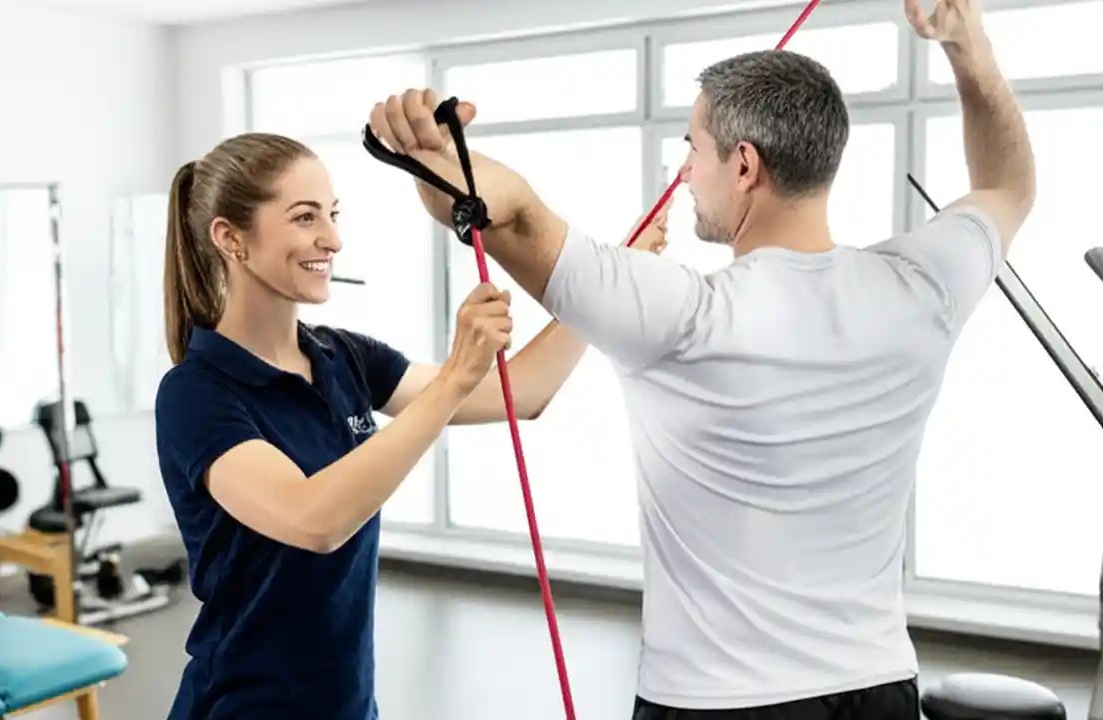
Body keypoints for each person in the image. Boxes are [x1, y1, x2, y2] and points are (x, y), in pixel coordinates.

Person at [366, 0, 1034, 717]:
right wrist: (968, 42)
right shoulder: (920, 288)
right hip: (879, 690)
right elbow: (1008, 185)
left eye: (692, 146)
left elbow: (511, 216)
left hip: (719, 704)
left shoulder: (683, 316)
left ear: (743, 164)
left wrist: (432, 160)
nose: (683, 173)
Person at [152, 131, 670, 719]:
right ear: (230, 238)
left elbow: (523, 392)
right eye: (304, 218)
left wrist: (615, 276)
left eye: (333, 214)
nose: (332, 239)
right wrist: (452, 378)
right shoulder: (197, 394)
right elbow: (314, 519)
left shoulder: (343, 358)